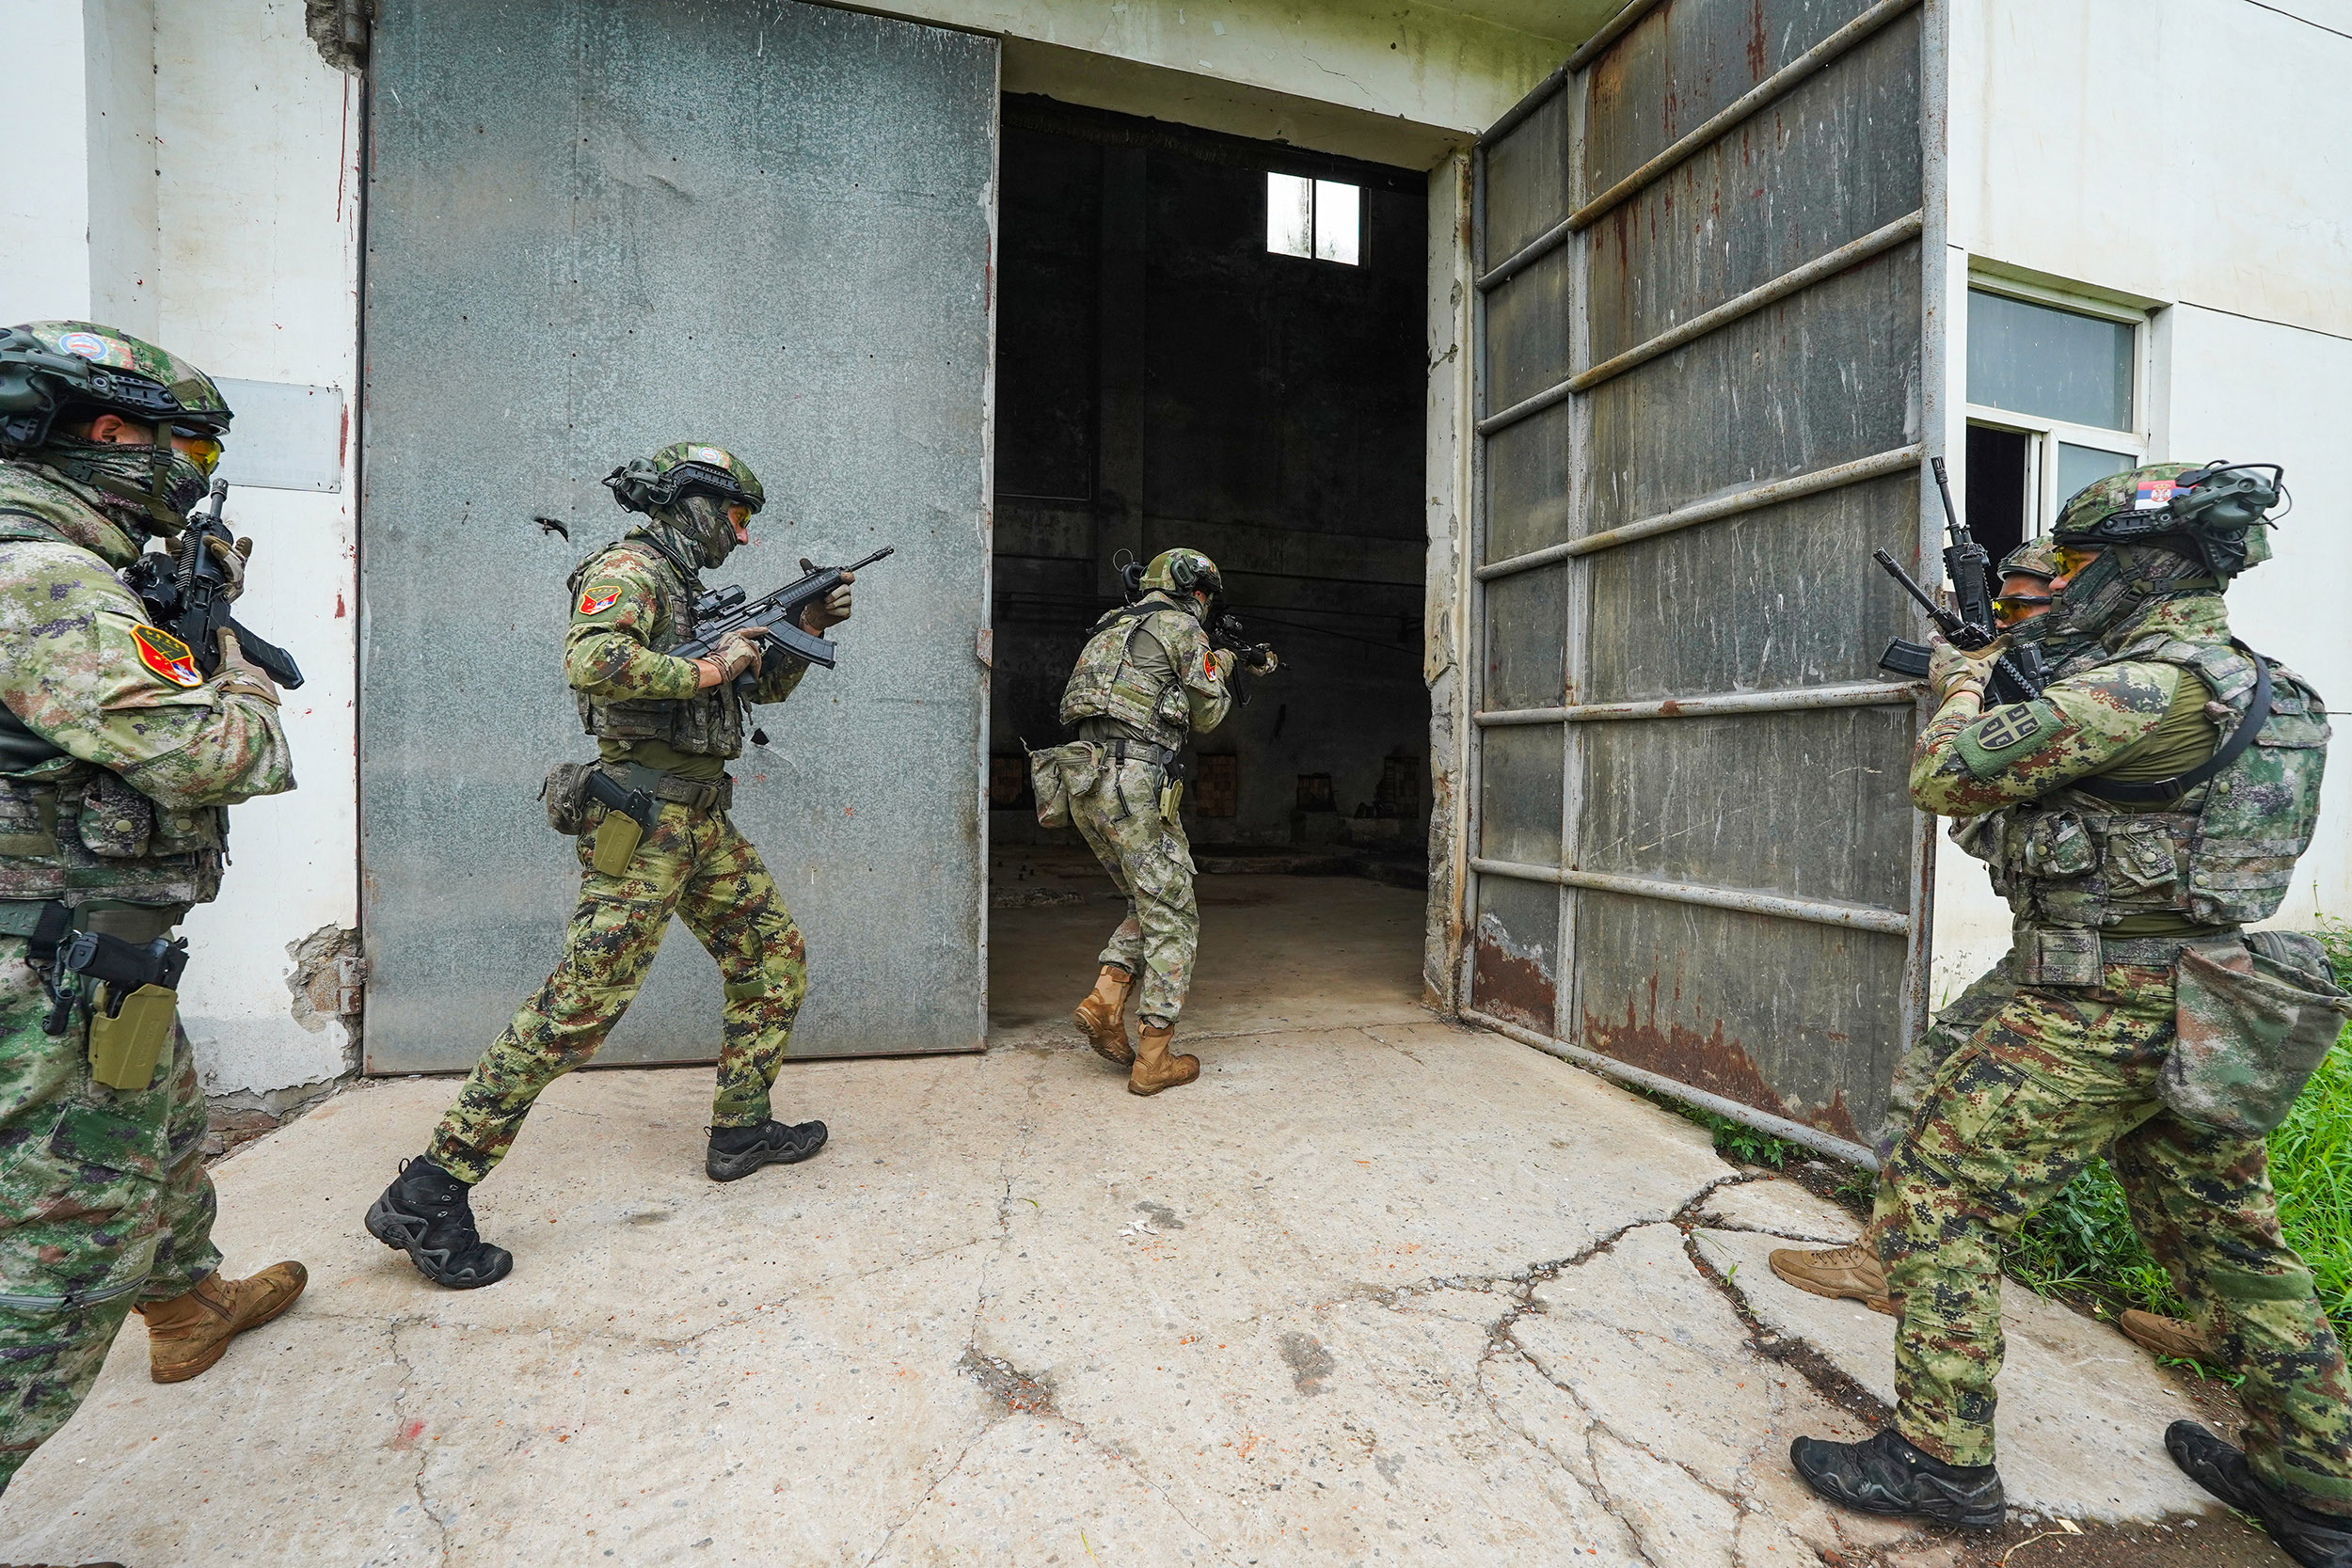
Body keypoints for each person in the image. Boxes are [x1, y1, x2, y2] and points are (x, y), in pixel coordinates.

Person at [1789, 463, 2352, 1568]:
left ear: (2141, 567)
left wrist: (1959, 679)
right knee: (2231, 1244)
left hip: (2101, 1000)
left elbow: (1948, 776)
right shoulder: (2263, 684)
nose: (2065, 577)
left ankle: (1938, 1461)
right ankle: (2318, 1486)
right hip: (2211, 996)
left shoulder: (2140, 688)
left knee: (1945, 1195)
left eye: (2082, 561)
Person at [364, 443, 851, 1290]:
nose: (741, 539)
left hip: (702, 820)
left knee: (773, 957)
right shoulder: (628, 568)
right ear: (694, 503)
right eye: (736, 518)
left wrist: (796, 634)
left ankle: (741, 1130)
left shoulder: (686, 586)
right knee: (578, 1009)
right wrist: (711, 661)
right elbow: (592, 658)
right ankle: (429, 1187)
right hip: (644, 818)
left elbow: (749, 694)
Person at [1771, 539, 2213, 1362]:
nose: (2010, 623)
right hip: (2205, 968)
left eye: (2026, 608)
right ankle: (2272, 1374)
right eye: (1999, 608)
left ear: (2080, 594)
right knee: (2205, 1173)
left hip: (2097, 963)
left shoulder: (2110, 693)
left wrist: (1964, 681)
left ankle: (1895, 1283)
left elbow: (1947, 779)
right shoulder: (2216, 684)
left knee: (1947, 1143)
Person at [0, 322, 304, 1498]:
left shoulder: (71, 565)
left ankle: (187, 1308)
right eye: (184, 444)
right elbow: (224, 752)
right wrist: (228, 653)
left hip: (89, 959)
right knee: (63, 1259)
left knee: (166, 1124)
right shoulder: (41, 578)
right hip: (42, 976)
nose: (189, 470)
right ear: (111, 432)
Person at [1052, 548, 1267, 1095]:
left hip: (1082, 782)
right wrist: (1225, 663)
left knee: (1143, 902)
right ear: (1196, 592)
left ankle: (1105, 999)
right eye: (1206, 598)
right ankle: (1154, 1057)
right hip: (1133, 782)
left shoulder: (1109, 628)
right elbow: (1209, 715)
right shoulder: (1180, 627)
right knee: (1175, 915)